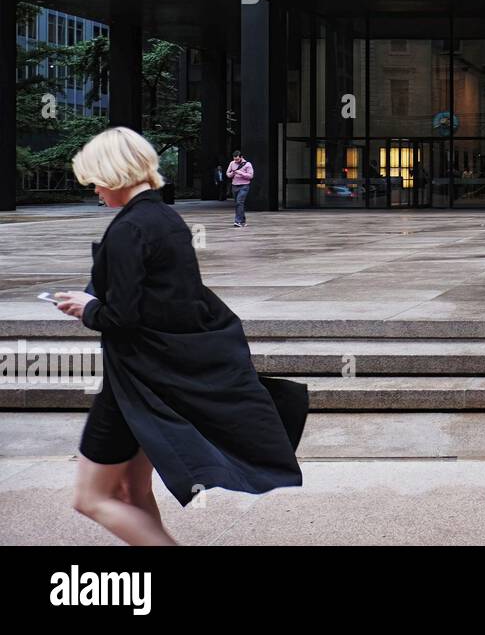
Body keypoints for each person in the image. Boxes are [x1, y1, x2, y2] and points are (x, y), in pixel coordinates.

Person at [54, 127, 305, 546]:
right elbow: (178, 304)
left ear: (114, 174)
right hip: (152, 380)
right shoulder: (166, 219)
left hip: (131, 383)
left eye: (96, 179)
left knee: (92, 498)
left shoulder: (129, 228)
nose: (95, 189)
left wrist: (87, 307)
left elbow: (123, 317)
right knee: (132, 491)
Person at [225, 150, 253, 227]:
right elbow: (228, 174)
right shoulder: (232, 163)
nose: (236, 161)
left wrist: (241, 173)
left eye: (237, 159)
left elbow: (251, 176)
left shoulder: (247, 164)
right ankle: (243, 221)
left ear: (241, 157)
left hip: (244, 186)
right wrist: (232, 173)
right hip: (234, 185)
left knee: (239, 202)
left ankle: (238, 221)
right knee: (238, 204)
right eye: (234, 159)